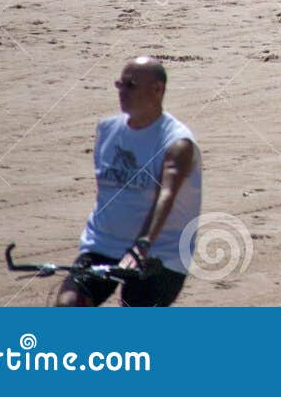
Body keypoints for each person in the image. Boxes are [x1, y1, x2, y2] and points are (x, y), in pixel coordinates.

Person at [54, 58, 200, 307]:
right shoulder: (107, 130)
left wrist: (143, 243)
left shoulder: (177, 142)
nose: (122, 91)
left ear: (157, 90)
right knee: (69, 304)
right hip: (103, 243)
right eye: (120, 84)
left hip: (161, 252)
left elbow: (166, 195)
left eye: (130, 85)